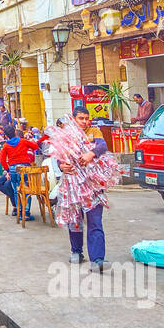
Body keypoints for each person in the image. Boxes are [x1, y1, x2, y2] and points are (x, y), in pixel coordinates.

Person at [60, 107, 111, 271]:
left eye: (87, 118)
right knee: (74, 220)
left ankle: (97, 259)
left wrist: (92, 153)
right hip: (72, 186)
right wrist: (61, 166)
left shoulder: (94, 131)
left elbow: (103, 146)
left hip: (93, 186)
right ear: (74, 118)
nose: (85, 121)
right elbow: (57, 155)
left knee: (95, 221)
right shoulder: (65, 134)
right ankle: (76, 251)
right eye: (81, 118)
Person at [0, 123, 46, 220]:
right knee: (26, 190)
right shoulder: (23, 141)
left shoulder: (5, 146)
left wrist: (8, 170)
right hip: (25, 168)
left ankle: (19, 212)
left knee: (16, 191)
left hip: (13, 169)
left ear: (6, 135)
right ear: (15, 132)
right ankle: (26, 213)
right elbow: (35, 146)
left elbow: (2, 160)